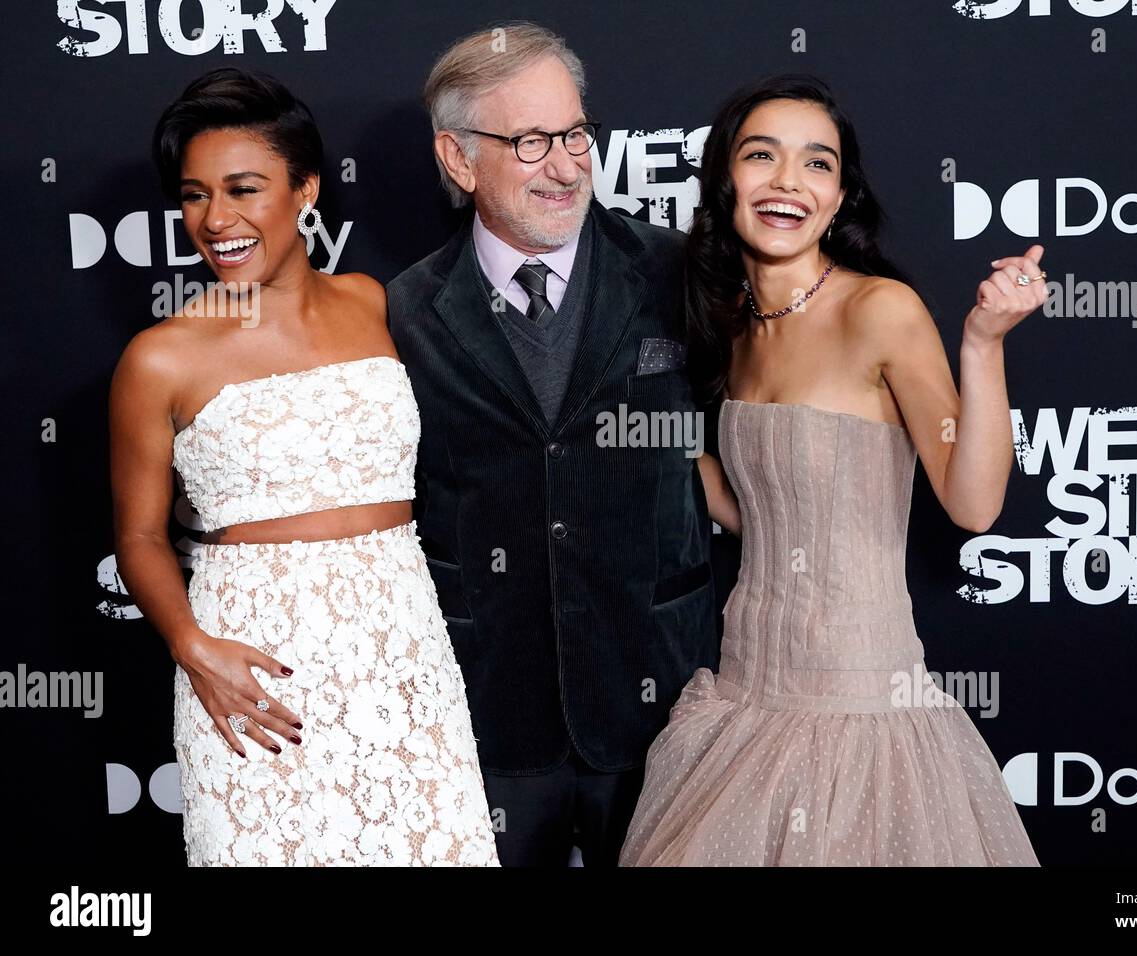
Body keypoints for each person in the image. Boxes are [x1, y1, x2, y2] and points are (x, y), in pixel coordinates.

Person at [619, 74, 1044, 866]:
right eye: (761, 156)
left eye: (817, 164)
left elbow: (974, 503)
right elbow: (764, 514)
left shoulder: (880, 309)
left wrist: (984, 344)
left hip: (859, 703)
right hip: (744, 695)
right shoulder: (735, 324)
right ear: (724, 179)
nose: (787, 182)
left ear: (842, 195)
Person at [109, 67, 498, 866]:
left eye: (244, 189)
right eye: (193, 196)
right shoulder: (160, 358)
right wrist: (191, 645)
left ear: (306, 189)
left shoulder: (373, 302)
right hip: (253, 677)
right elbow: (141, 538)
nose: (217, 220)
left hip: (400, 658)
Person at [386, 23, 717, 866]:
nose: (568, 166)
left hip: (659, 695)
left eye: (574, 134)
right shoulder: (403, 313)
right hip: (485, 706)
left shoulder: (680, 274)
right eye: (530, 143)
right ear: (459, 161)